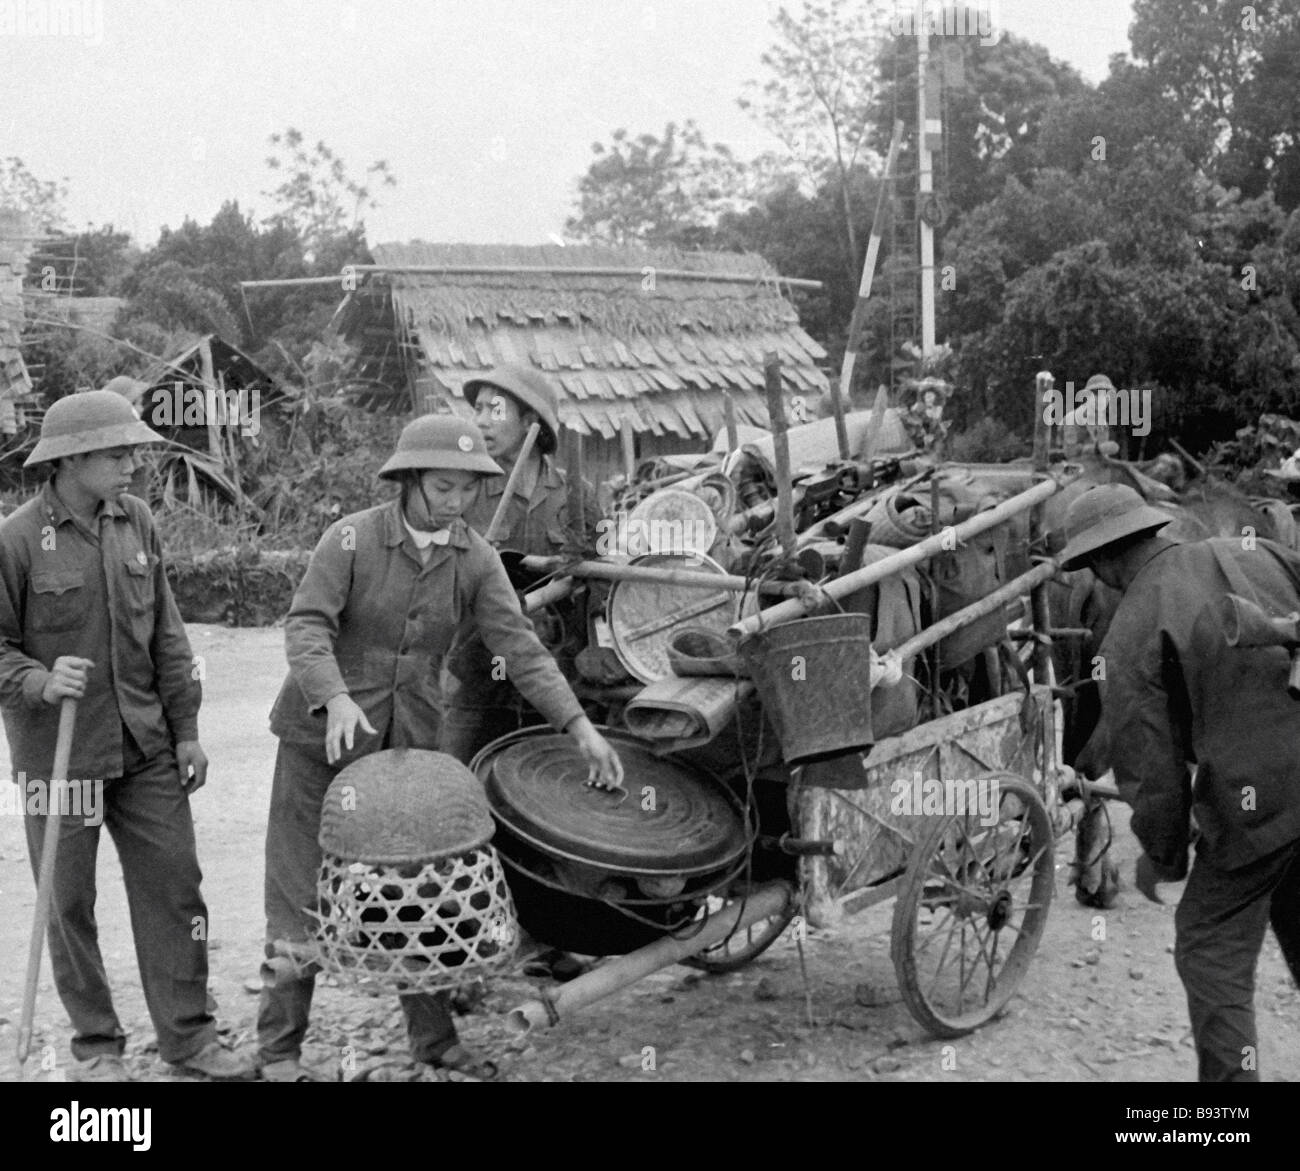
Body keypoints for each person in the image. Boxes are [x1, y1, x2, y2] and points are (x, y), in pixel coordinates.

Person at [257, 413, 624, 1082]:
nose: (457, 503)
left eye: (468, 490)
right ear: (409, 481)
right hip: (318, 736)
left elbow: (520, 646)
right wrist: (334, 694)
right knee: (297, 892)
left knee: (413, 884)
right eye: (444, 488)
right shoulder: (351, 539)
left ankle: (433, 1039)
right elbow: (307, 623)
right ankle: (279, 1048)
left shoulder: (476, 557)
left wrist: (579, 727)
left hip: (406, 744)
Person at [0, 389, 253, 1082]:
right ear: (73, 459)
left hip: (144, 748)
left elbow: (169, 636)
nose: (133, 466)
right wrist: (39, 680)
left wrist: (189, 731)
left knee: (176, 886)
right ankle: (96, 1045)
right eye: (118, 454)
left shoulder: (136, 521)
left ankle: (189, 1036)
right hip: (61, 759)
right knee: (69, 902)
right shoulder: (16, 539)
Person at [1059, 483, 1300, 1082]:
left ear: (1101, 559)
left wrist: (1163, 857)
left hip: (1260, 804)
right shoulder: (1262, 553)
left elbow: (1151, 772)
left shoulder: (1130, 631)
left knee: (1207, 944)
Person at [439, 363, 601, 765]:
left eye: (493, 410)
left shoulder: (574, 494)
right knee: (452, 778)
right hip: (474, 674)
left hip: (552, 677)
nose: (480, 422)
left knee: (545, 793)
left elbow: (601, 579)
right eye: (476, 410)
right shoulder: (467, 491)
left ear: (531, 421)